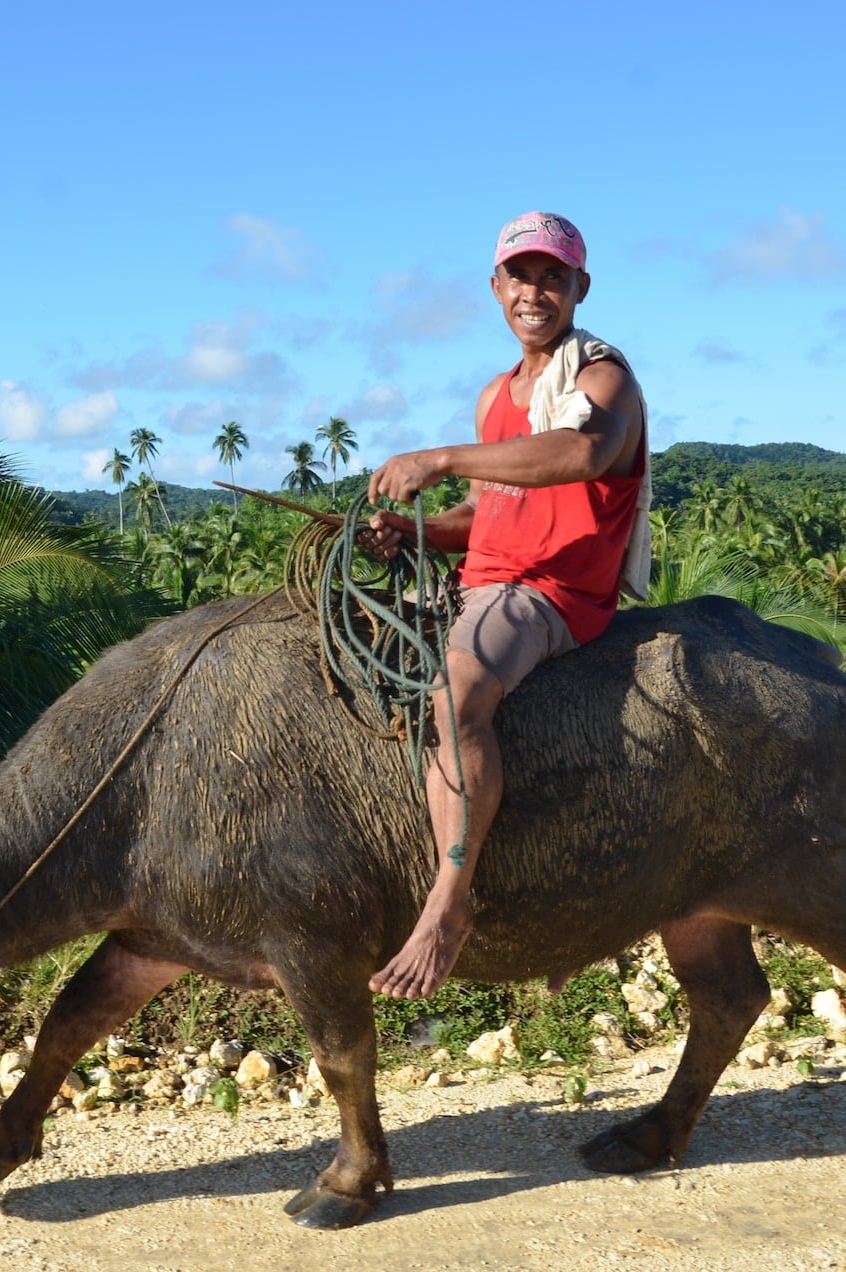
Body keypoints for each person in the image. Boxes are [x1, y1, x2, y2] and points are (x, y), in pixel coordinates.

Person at [361, 211, 649, 999]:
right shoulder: (497, 396)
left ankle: (450, 902)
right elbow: (487, 517)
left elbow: (581, 452)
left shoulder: (602, 378)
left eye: (553, 277)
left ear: (580, 288)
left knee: (454, 695)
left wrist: (442, 456)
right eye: (521, 276)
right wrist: (414, 532)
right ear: (496, 288)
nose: (536, 291)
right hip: (482, 580)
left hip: (549, 591)